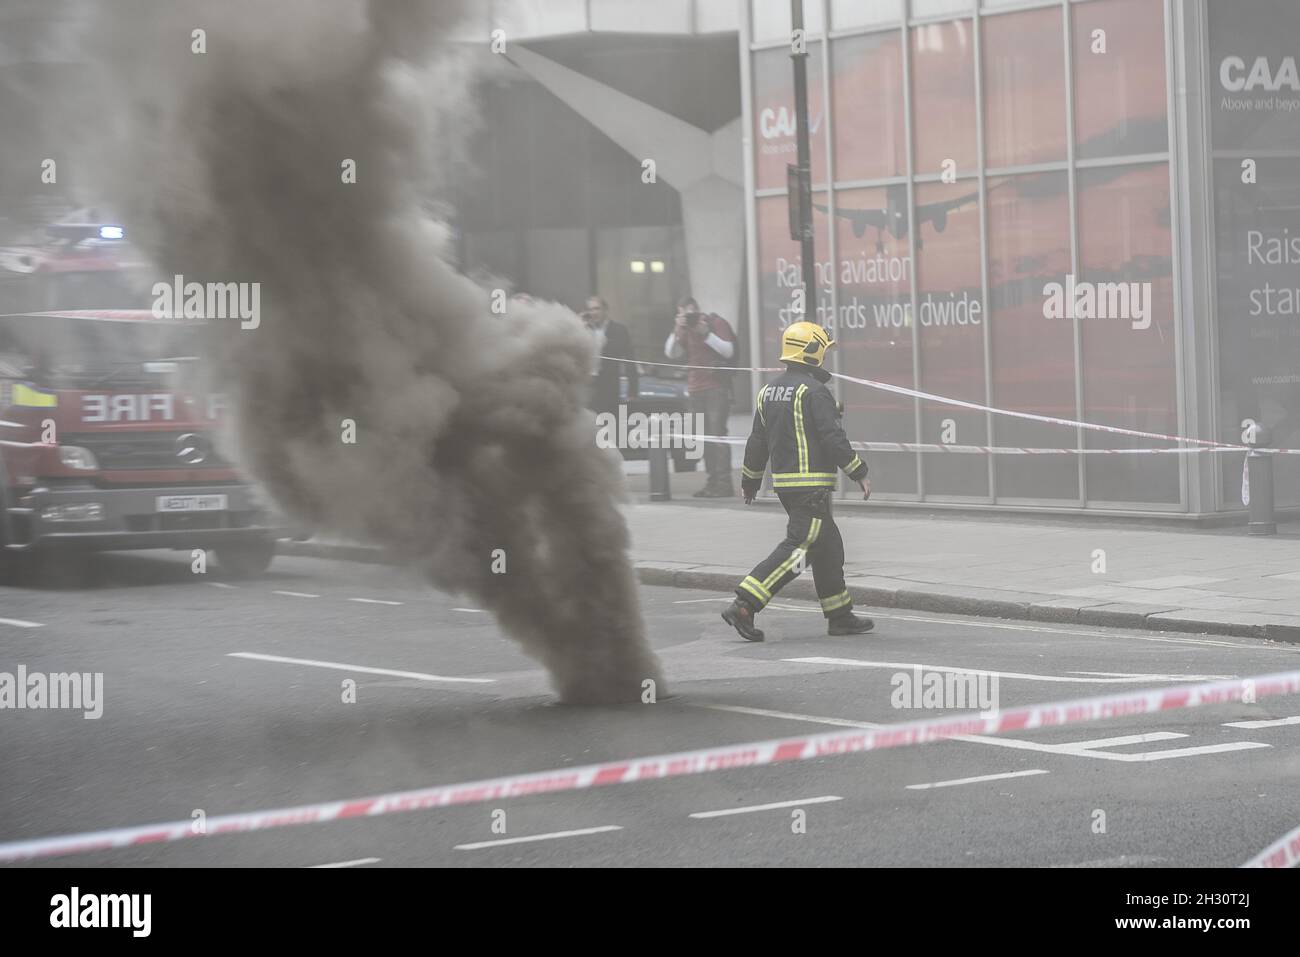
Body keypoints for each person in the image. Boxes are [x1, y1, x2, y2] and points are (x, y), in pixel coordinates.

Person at [720, 320, 875, 641]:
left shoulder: (768, 391)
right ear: (812, 352)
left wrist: (750, 480)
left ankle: (840, 616)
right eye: (824, 351)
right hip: (811, 487)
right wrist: (858, 470)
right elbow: (832, 437)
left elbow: (757, 441)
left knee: (828, 547)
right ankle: (745, 605)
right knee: (799, 547)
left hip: (788, 487)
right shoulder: (814, 391)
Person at [664, 296, 737, 497]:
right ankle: (712, 482)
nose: (688, 317)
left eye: (690, 313)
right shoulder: (683, 328)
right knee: (703, 438)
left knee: (717, 435)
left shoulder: (715, 323)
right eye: (683, 314)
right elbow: (670, 353)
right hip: (695, 388)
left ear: (697, 310)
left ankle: (723, 483)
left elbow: (728, 351)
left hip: (716, 387)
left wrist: (706, 334)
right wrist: (677, 328)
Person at [583, 296, 637, 417]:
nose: (593, 313)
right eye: (590, 309)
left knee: (608, 428)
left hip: (609, 387)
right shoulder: (584, 329)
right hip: (589, 387)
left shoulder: (619, 330)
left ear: (605, 310)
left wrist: (632, 390)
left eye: (596, 309)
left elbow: (630, 360)